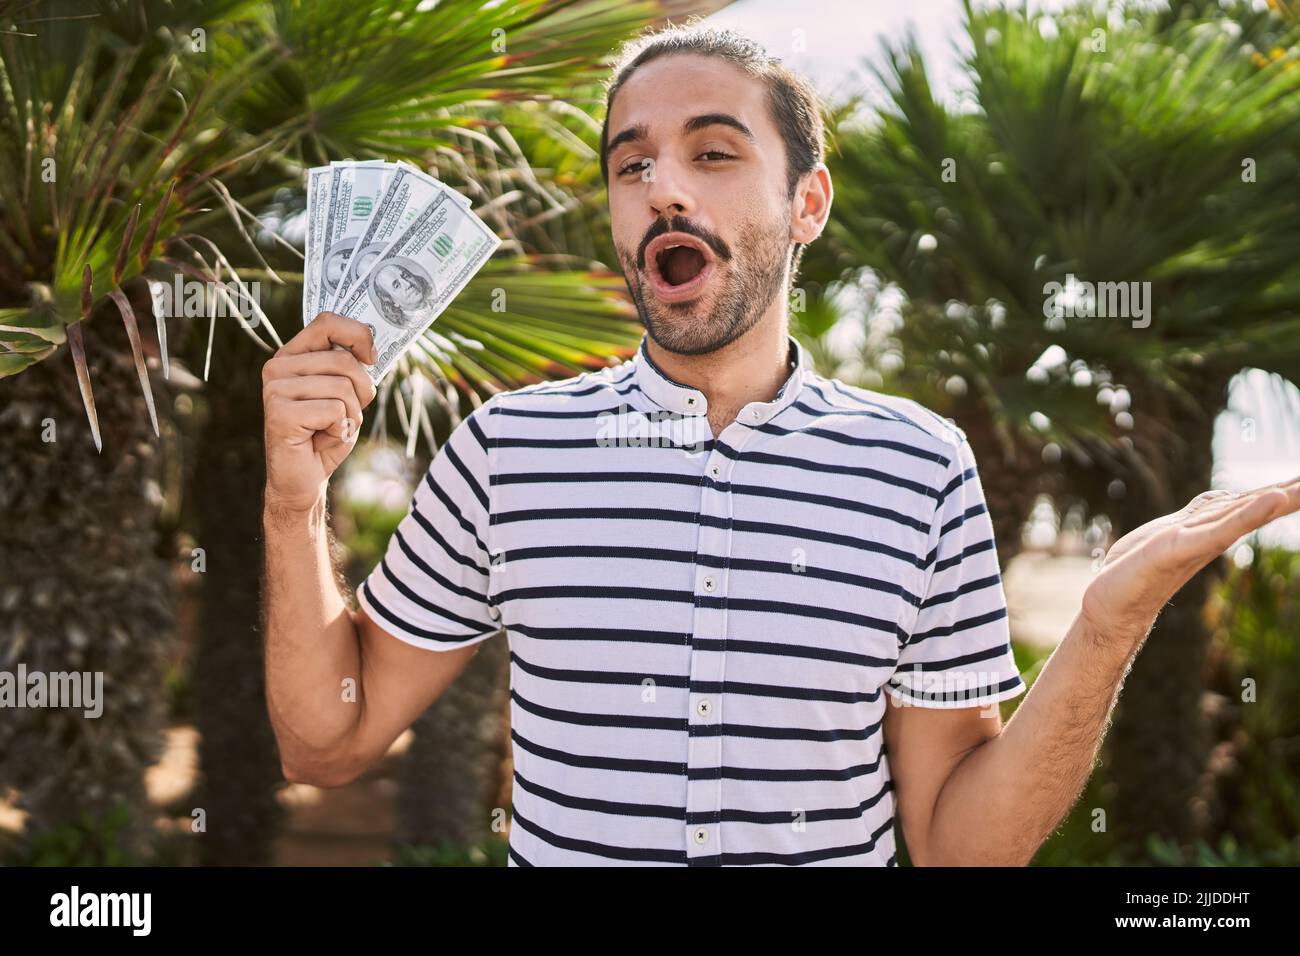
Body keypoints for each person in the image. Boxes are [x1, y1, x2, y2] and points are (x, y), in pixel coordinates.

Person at [261, 25, 1300, 866]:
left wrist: (1103, 628)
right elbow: (327, 740)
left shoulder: (920, 466)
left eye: (714, 152)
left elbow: (960, 847)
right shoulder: (505, 451)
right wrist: (293, 505)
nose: (665, 185)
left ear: (806, 203)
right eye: (633, 165)